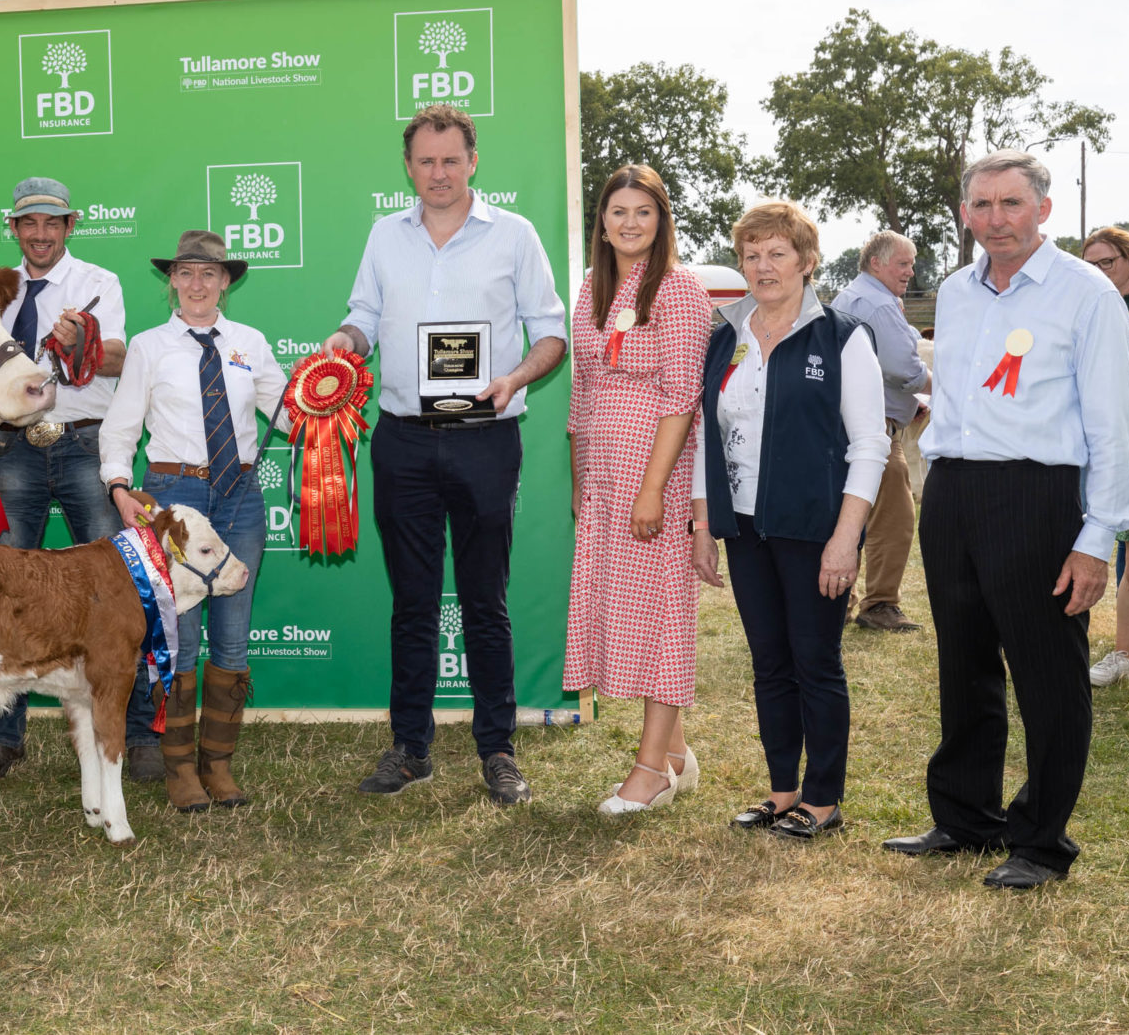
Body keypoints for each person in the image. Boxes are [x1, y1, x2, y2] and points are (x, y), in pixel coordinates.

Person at [883, 150, 1129, 890]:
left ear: (1043, 210)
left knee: (1047, 673)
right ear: (966, 213)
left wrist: (1097, 538)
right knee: (963, 664)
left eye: (1012, 203)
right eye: (982, 205)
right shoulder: (957, 291)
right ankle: (966, 818)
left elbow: (1112, 425)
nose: (996, 219)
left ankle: (1041, 842)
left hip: (1037, 495)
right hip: (953, 492)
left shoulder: (1086, 294)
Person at [323, 103, 567, 804]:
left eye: (451, 160)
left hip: (487, 438)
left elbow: (551, 332)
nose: (439, 173)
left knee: (486, 602)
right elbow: (364, 318)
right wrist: (346, 343)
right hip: (402, 440)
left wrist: (515, 378)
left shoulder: (514, 235)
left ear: (473, 162)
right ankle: (410, 748)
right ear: (408, 167)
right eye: (426, 161)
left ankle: (498, 750)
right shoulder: (384, 235)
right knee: (413, 603)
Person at [692, 201, 888, 841]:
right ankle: (782, 793)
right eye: (751, 255)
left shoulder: (842, 336)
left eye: (777, 253)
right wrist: (703, 526)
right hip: (745, 527)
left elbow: (870, 445)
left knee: (815, 662)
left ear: (807, 261)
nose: (762, 266)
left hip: (815, 527)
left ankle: (824, 800)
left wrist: (845, 539)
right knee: (769, 663)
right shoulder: (725, 336)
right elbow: (705, 438)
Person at [0, 176, 161, 784]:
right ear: (14, 229)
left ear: (70, 226)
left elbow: (121, 357)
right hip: (12, 447)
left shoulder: (98, 282)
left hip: (82, 443)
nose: (41, 234)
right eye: (29, 224)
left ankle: (137, 733)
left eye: (52, 223)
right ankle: (3, 736)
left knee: (119, 588)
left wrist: (86, 341)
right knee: (3, 590)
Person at [102, 231, 286, 812]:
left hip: (239, 497)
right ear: (172, 281)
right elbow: (121, 426)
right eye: (186, 273)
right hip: (173, 499)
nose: (197, 283)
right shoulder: (149, 346)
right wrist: (118, 485)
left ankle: (218, 765)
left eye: (209, 273)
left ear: (226, 281)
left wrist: (326, 398)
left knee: (232, 634)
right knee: (177, 638)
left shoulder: (250, 342)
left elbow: (287, 410)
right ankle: (179, 766)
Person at [565, 164, 713, 814]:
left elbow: (683, 397)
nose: (630, 223)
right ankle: (676, 756)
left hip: (655, 474)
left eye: (643, 212)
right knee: (623, 611)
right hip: (602, 477)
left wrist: (652, 490)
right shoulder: (591, 289)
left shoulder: (679, 291)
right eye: (618, 211)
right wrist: (581, 478)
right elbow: (582, 390)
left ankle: (650, 771)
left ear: (661, 221)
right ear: (601, 222)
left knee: (658, 615)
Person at [831, 230, 931, 632]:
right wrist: (950, 388)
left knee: (848, 515)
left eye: (911, 264)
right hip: (875, 429)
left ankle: (841, 599)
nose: (910, 272)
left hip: (846, 424)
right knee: (894, 518)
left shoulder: (852, 297)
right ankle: (880, 602)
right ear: (877, 263)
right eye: (903, 263)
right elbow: (905, 369)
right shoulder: (877, 303)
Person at [1081, 226, 1129, 686]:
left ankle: (1127, 644)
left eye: (1107, 262)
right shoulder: (1085, 308)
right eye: (1090, 264)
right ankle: (1122, 652)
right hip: (1118, 447)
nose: (1099, 271)